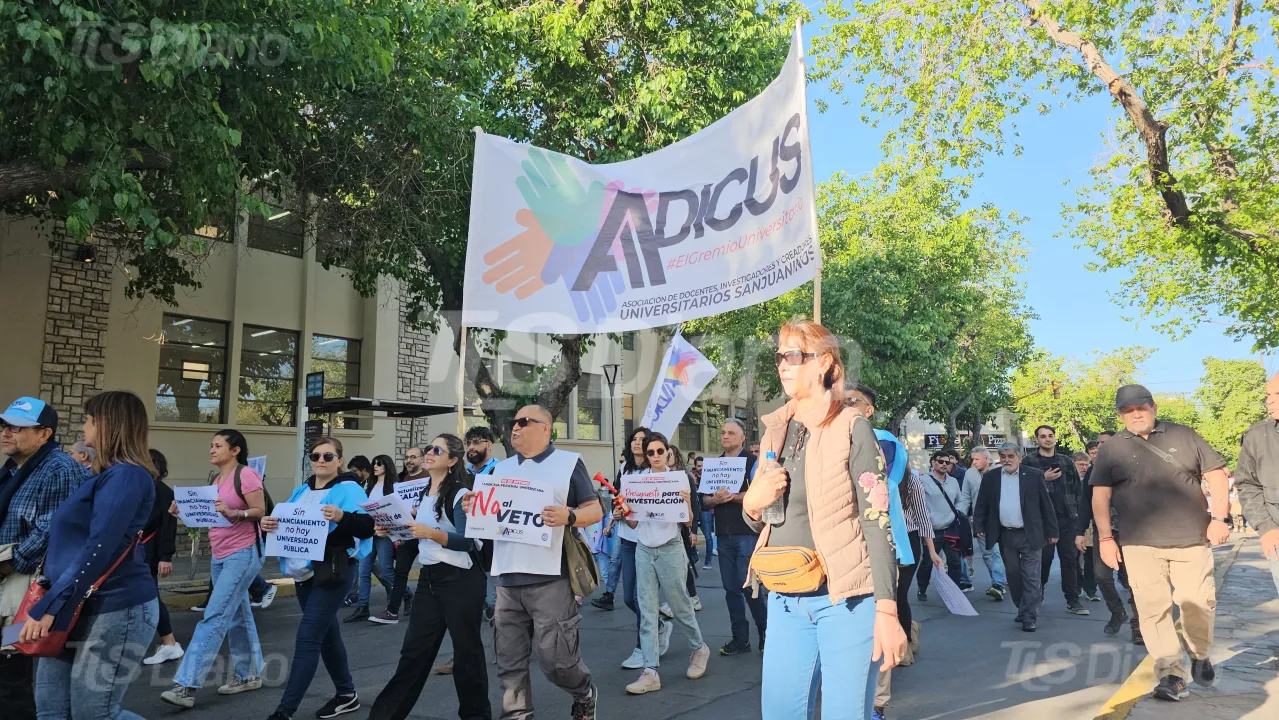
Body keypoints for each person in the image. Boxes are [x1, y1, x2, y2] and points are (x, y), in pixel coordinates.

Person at [742, 320, 906, 719]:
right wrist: (751, 504)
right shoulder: (774, 432)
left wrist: (887, 610)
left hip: (847, 601)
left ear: (824, 363)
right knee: (780, 714)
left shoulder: (853, 427)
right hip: (784, 598)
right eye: (779, 356)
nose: (782, 364)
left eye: (794, 355)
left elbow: (877, 521)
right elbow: (766, 521)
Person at [20, 391, 159, 719]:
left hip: (114, 608)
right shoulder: (103, 476)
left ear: (107, 424)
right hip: (73, 604)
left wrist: (53, 606)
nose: (83, 426)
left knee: (93, 714)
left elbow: (99, 547)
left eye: (88, 419)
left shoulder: (128, 476)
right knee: (51, 712)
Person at [460, 404, 602, 720]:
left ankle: (583, 691)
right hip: (507, 580)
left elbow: (595, 510)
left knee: (557, 662)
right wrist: (474, 506)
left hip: (551, 578)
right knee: (509, 665)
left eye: (525, 421)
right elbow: (488, 515)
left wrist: (570, 515)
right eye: (514, 422)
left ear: (546, 428)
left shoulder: (568, 463)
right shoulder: (500, 470)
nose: (516, 427)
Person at [1091, 384, 1231, 702]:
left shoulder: (1184, 435)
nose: (1135, 414)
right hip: (1138, 543)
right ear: (1120, 415)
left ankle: (1199, 652)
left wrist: (1219, 519)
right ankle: (1170, 674)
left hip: (1191, 539)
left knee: (1197, 603)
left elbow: (1217, 474)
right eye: (1127, 410)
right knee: (1152, 610)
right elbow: (1100, 495)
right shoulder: (1112, 448)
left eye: (1141, 407)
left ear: (1153, 407)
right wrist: (1105, 538)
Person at [369, 434, 490, 720]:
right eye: (428, 449)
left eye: (438, 450)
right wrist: (392, 529)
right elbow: (417, 534)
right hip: (429, 579)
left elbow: (467, 541)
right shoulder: (425, 490)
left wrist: (429, 532)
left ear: (452, 460)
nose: (429, 453)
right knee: (413, 654)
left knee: (467, 656)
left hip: (461, 580)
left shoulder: (459, 493)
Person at [262, 437, 375, 720]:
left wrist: (341, 517)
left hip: (332, 572)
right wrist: (269, 524)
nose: (320, 461)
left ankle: (284, 711)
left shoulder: (348, 489)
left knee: (308, 638)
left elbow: (367, 527)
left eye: (328, 456)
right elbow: (285, 523)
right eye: (315, 456)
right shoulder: (301, 490)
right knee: (326, 635)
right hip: (302, 574)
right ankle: (347, 694)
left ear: (339, 460)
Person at [160, 429, 268, 708]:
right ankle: (250, 675)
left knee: (215, 615)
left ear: (235, 450)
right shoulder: (216, 479)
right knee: (238, 616)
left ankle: (185, 685)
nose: (212, 449)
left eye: (218, 445)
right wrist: (180, 512)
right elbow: (207, 515)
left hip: (243, 554)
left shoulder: (245, 475)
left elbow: (260, 510)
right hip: (220, 556)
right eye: (211, 445)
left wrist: (237, 513)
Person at [0, 397, 88, 718]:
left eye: (17, 427)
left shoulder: (59, 469)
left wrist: (8, 564)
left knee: (11, 662)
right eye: (5, 426)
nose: (6, 433)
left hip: (27, 583)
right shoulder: (14, 469)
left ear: (44, 434)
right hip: (10, 580)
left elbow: (51, 529)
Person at [619, 432, 710, 694]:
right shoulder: (636, 482)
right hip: (644, 549)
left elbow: (688, 521)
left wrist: (685, 506)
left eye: (661, 451)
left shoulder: (679, 478)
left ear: (668, 452)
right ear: (645, 456)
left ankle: (698, 647)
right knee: (647, 611)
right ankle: (650, 672)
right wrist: (623, 511)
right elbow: (634, 522)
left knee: (681, 605)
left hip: (671, 549)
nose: (656, 456)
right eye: (651, 452)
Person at [601, 426, 673, 669]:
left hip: (645, 539)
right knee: (631, 597)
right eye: (634, 439)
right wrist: (616, 512)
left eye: (642, 440)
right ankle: (660, 626)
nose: (637, 443)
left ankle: (643, 648)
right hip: (626, 537)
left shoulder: (654, 470)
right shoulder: (625, 468)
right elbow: (618, 498)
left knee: (640, 597)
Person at [972, 442, 1059, 632]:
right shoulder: (991, 477)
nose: (1006, 460)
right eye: (1003, 456)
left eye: (1010, 456)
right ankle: (1023, 606)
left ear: (1019, 457)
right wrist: (978, 525)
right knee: (1013, 576)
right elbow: (982, 505)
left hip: (1031, 534)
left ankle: (1029, 616)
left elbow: (1046, 505)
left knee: (1032, 576)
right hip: (1005, 535)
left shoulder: (1034, 475)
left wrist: (1053, 532)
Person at [703, 418, 767, 656]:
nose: (725, 436)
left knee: (749, 586)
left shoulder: (753, 462)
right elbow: (704, 499)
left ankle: (765, 631)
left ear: (742, 438)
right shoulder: (714, 465)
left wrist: (735, 497)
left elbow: (760, 494)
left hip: (747, 532)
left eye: (731, 433)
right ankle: (740, 638)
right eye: (722, 433)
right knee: (730, 589)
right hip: (723, 533)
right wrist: (715, 500)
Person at [1075, 432, 1141, 643]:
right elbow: (1086, 502)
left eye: (1105, 443)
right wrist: (1080, 531)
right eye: (1099, 443)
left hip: (1131, 531)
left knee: (1133, 580)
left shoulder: (1132, 463)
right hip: (1104, 532)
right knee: (1101, 575)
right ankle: (1117, 611)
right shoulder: (1095, 469)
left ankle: (1138, 625)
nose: (1101, 446)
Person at [1021, 425, 1088, 616]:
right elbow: (1023, 489)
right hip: (1042, 521)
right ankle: (1037, 595)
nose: (1047, 439)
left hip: (1067, 519)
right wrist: (1043, 477)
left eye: (1050, 436)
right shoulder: (1029, 461)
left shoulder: (1066, 461)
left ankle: (1073, 601)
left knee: (1070, 561)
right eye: (1043, 436)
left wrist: (1077, 513)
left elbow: (1078, 490)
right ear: (1037, 440)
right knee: (1043, 560)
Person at [347, 454, 411, 624]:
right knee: (364, 571)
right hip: (370, 533)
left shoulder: (395, 486)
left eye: (379, 463)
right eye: (374, 463)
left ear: (387, 466)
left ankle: (407, 594)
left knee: (386, 569)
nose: (375, 466)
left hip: (385, 534)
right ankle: (362, 607)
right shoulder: (370, 485)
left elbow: (398, 512)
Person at [1235, 372, 1279, 595]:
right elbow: (1247, 484)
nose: (1270, 400)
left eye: (1277, 394)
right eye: (1268, 395)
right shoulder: (1257, 436)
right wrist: (1265, 526)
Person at [375, 447, 426, 624]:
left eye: (413, 457)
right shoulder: (400, 481)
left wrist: (418, 511)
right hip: (407, 534)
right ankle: (392, 611)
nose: (409, 460)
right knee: (400, 572)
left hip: (428, 533)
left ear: (422, 459)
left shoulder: (429, 477)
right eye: (406, 457)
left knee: (430, 572)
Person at [142, 449, 182, 666]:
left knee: (151, 597)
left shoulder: (163, 492)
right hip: (139, 553)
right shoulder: (145, 489)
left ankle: (169, 642)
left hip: (149, 554)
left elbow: (168, 527)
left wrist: (165, 557)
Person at [957, 446, 1008, 600]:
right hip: (980, 519)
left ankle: (999, 583)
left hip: (1001, 519)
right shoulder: (970, 474)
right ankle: (998, 582)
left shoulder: (1000, 471)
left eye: (977, 459)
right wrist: (961, 515)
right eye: (973, 459)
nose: (974, 462)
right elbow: (965, 497)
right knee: (987, 554)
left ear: (986, 459)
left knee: (997, 552)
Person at [916, 450, 965, 599]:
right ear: (933, 462)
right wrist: (928, 518)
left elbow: (960, 500)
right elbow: (920, 504)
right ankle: (922, 588)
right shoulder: (923, 480)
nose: (945, 464)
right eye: (941, 461)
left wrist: (957, 512)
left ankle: (954, 592)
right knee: (927, 562)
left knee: (955, 562)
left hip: (951, 528)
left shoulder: (953, 481)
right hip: (932, 529)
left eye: (948, 462)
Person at [1072, 451, 1100, 602]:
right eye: (1080, 464)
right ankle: (1076, 586)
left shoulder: (1092, 477)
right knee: (1073, 557)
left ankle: (1091, 589)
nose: (1084, 467)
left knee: (1090, 557)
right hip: (1072, 521)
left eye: (1086, 464)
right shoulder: (1069, 479)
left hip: (1089, 521)